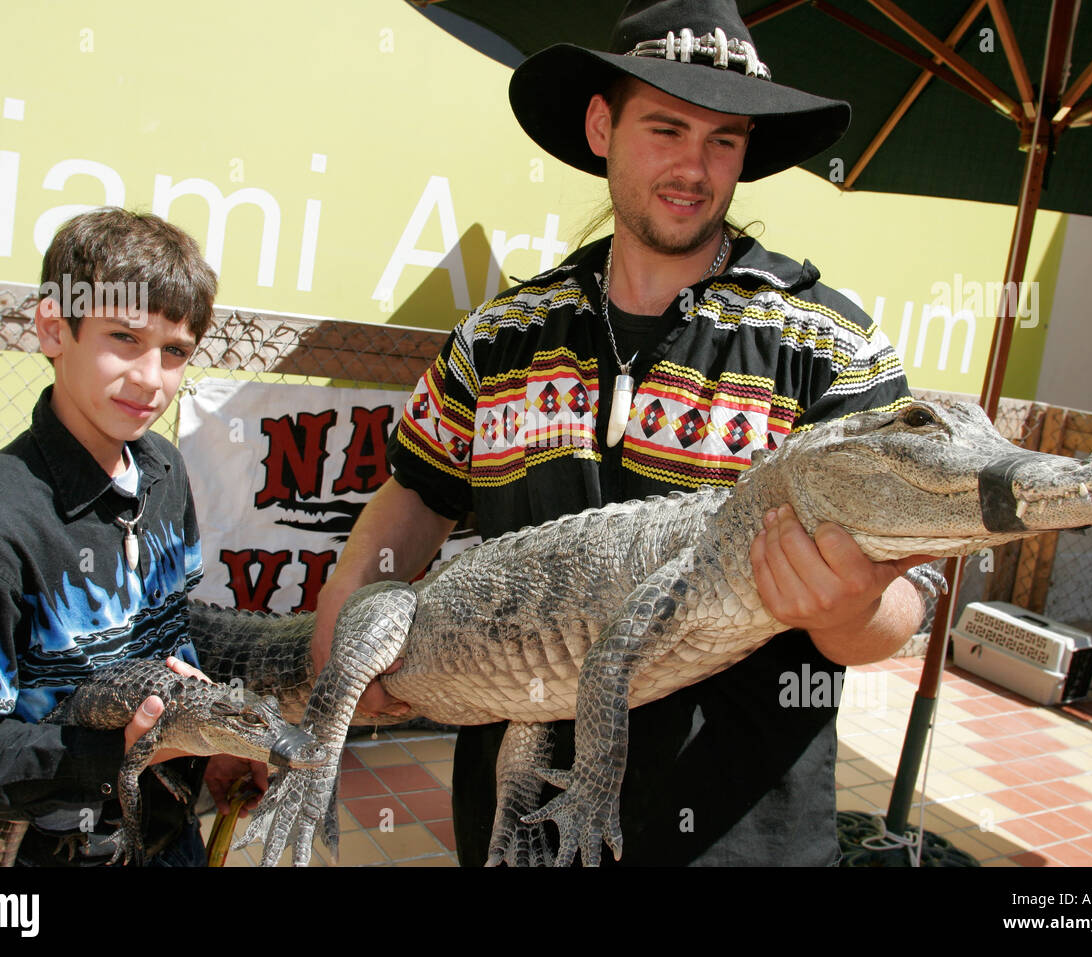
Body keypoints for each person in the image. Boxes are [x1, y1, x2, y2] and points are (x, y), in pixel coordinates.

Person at [312, 0, 928, 865]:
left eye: (724, 139)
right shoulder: (502, 334)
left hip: (736, 830)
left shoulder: (828, 343)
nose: (694, 167)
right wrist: (346, 602)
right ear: (602, 125)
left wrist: (855, 606)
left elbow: (901, 606)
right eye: (666, 128)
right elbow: (417, 493)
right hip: (516, 817)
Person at [0, 207, 258, 866]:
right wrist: (118, 749)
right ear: (53, 328)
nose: (152, 379)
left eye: (175, 350)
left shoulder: (165, 470)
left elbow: (172, 626)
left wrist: (205, 747)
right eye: (124, 337)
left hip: (169, 827)